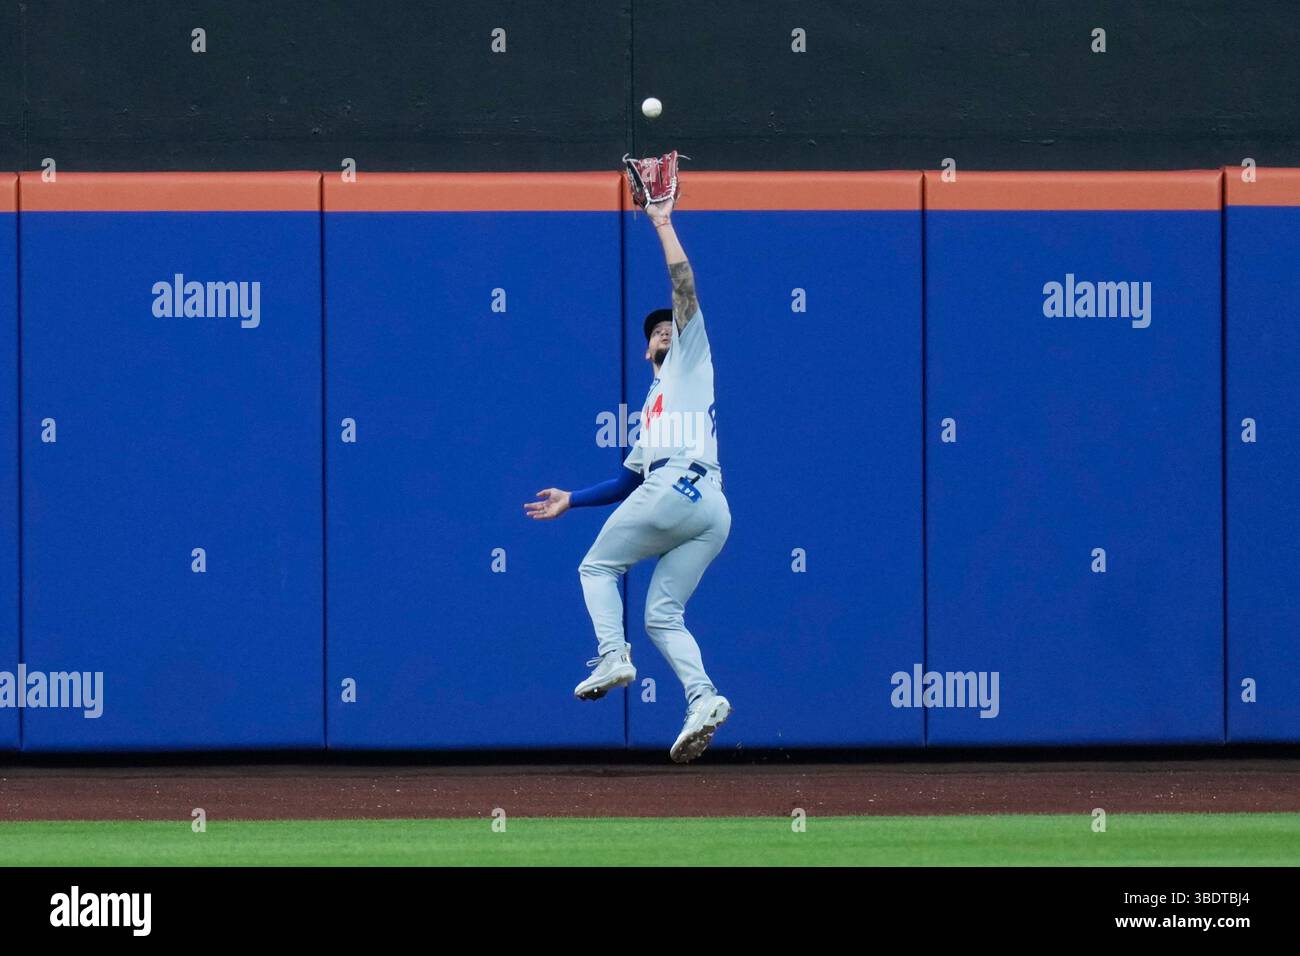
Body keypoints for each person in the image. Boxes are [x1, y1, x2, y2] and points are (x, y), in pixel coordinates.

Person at [525, 186, 732, 763]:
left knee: (597, 565)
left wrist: (662, 222)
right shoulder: (651, 409)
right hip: (702, 504)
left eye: (671, 326)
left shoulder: (691, 361)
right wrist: (572, 498)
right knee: (662, 614)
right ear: (646, 350)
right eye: (656, 330)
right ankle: (703, 698)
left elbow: (683, 285)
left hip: (692, 489)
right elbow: (626, 484)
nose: (666, 329)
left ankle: (613, 655)